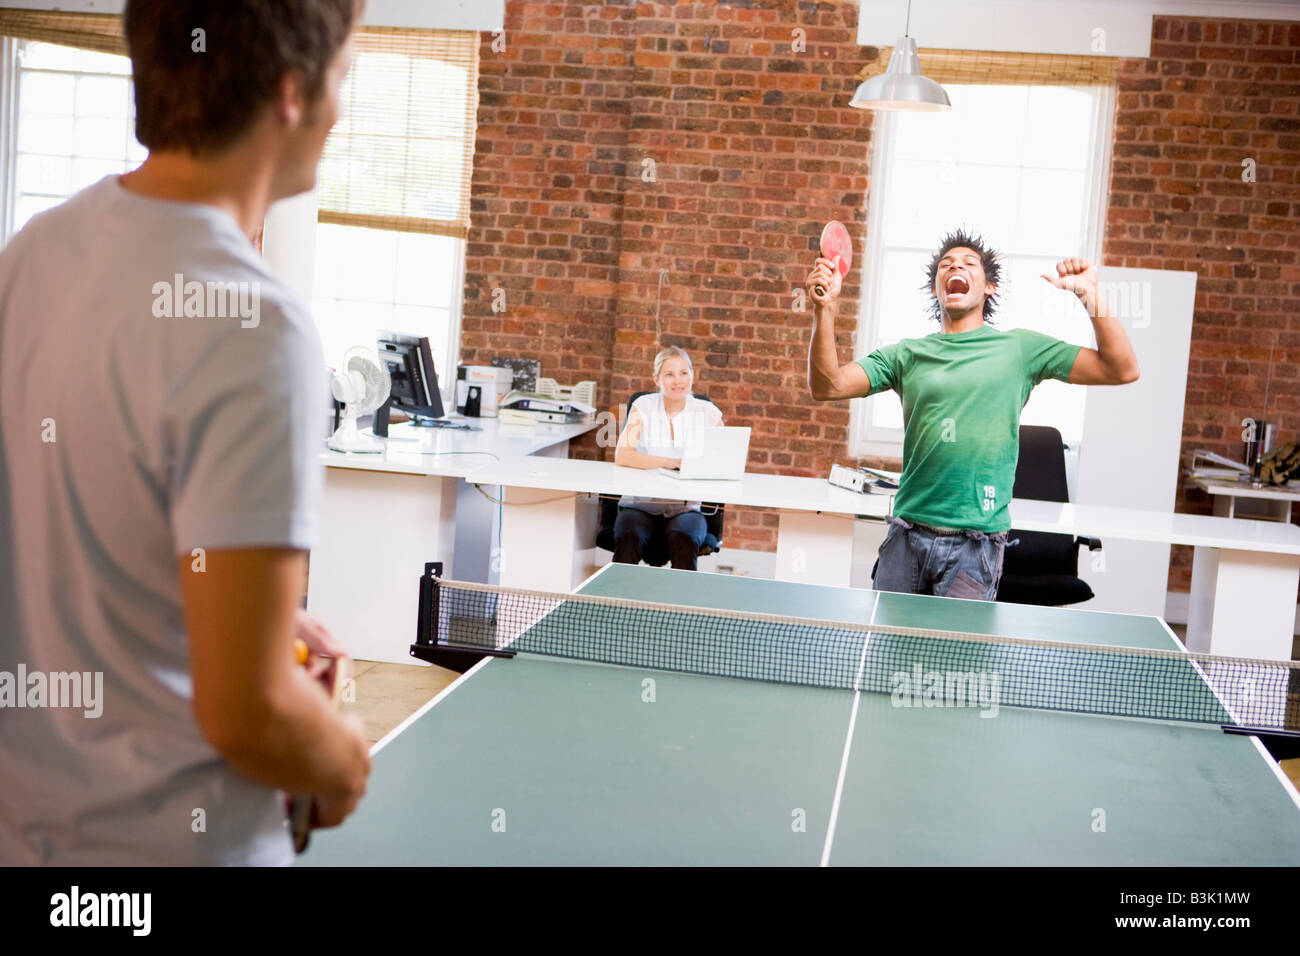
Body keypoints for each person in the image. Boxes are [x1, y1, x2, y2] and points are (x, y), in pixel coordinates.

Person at [0, 0, 370, 864]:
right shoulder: (257, 328)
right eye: (344, 78)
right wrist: (342, 755)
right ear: (290, 93)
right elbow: (251, 715)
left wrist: (235, 616)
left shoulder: (29, 259)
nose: (343, 110)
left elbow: (68, 554)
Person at [806, 228, 1139, 600]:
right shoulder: (906, 355)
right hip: (906, 536)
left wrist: (1091, 296)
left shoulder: (1020, 349)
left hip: (974, 546)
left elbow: (1121, 369)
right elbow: (828, 386)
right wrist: (826, 310)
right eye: (945, 265)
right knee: (890, 650)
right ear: (936, 290)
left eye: (968, 263)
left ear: (989, 287)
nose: (955, 267)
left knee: (958, 658)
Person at [613, 347, 723, 571]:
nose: (678, 381)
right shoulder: (642, 406)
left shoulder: (707, 412)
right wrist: (669, 462)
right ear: (657, 379)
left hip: (685, 508)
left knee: (684, 538)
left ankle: (681, 606)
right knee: (628, 536)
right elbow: (622, 455)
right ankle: (617, 604)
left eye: (684, 373)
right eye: (669, 374)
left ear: (692, 375)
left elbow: (725, 460)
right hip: (640, 505)